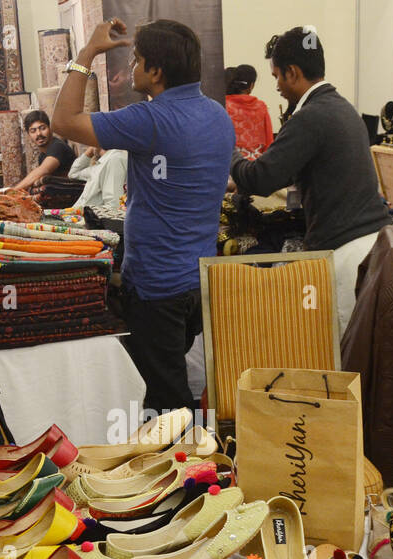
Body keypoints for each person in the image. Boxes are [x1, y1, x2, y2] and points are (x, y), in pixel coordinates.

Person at [52, 18, 233, 416]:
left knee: (168, 405)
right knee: (166, 388)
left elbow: (62, 122)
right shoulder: (218, 116)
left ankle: (194, 473)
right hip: (197, 282)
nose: (131, 68)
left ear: (156, 71)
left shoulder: (151, 120)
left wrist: (87, 53)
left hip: (158, 288)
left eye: (136, 60)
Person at [229, 27, 391, 334]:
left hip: (347, 252)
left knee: (343, 356)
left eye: (276, 76)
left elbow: (262, 178)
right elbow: (285, 170)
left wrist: (230, 152)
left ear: (292, 72)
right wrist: (238, 180)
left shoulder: (311, 117)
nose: (276, 85)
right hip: (369, 243)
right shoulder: (342, 108)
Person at [8, 109, 77, 193]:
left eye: (42, 128)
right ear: (29, 135)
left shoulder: (58, 146)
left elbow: (43, 170)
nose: (38, 134)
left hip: (73, 195)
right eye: (33, 131)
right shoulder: (42, 156)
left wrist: (13, 192)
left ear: (50, 128)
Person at [225, 63, 274, 159]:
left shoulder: (223, 105)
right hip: (256, 165)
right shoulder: (261, 107)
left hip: (232, 164)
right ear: (251, 85)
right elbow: (269, 142)